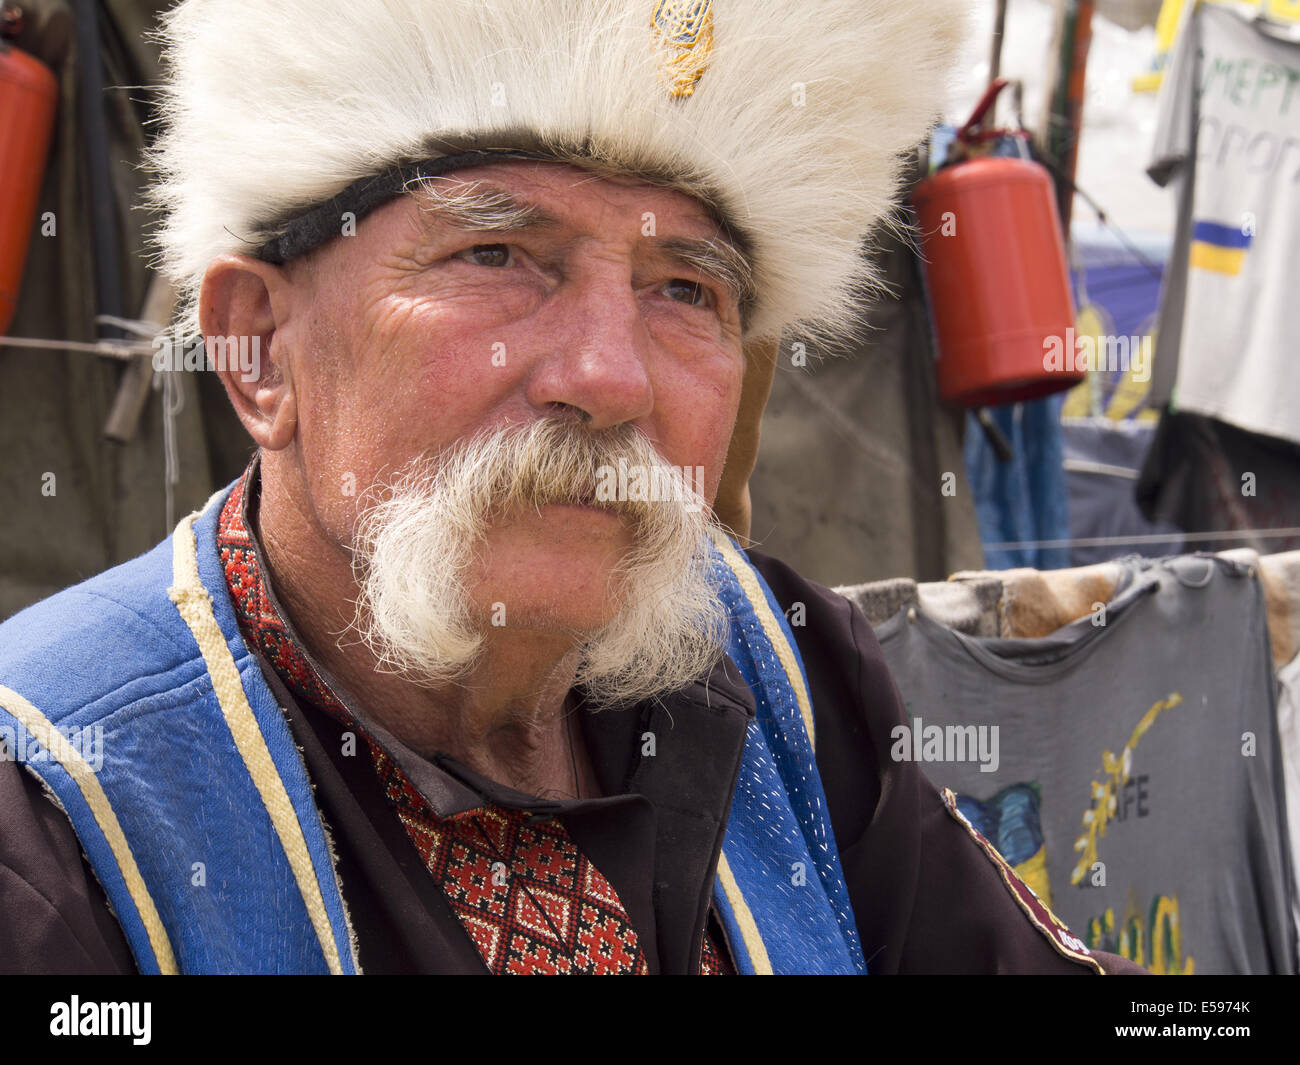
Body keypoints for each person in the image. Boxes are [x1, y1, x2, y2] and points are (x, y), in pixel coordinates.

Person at [0, 0, 1142, 974]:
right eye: (495, 255)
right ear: (257, 349)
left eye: (685, 288)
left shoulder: (781, 663)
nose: (608, 377)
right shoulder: (52, 808)